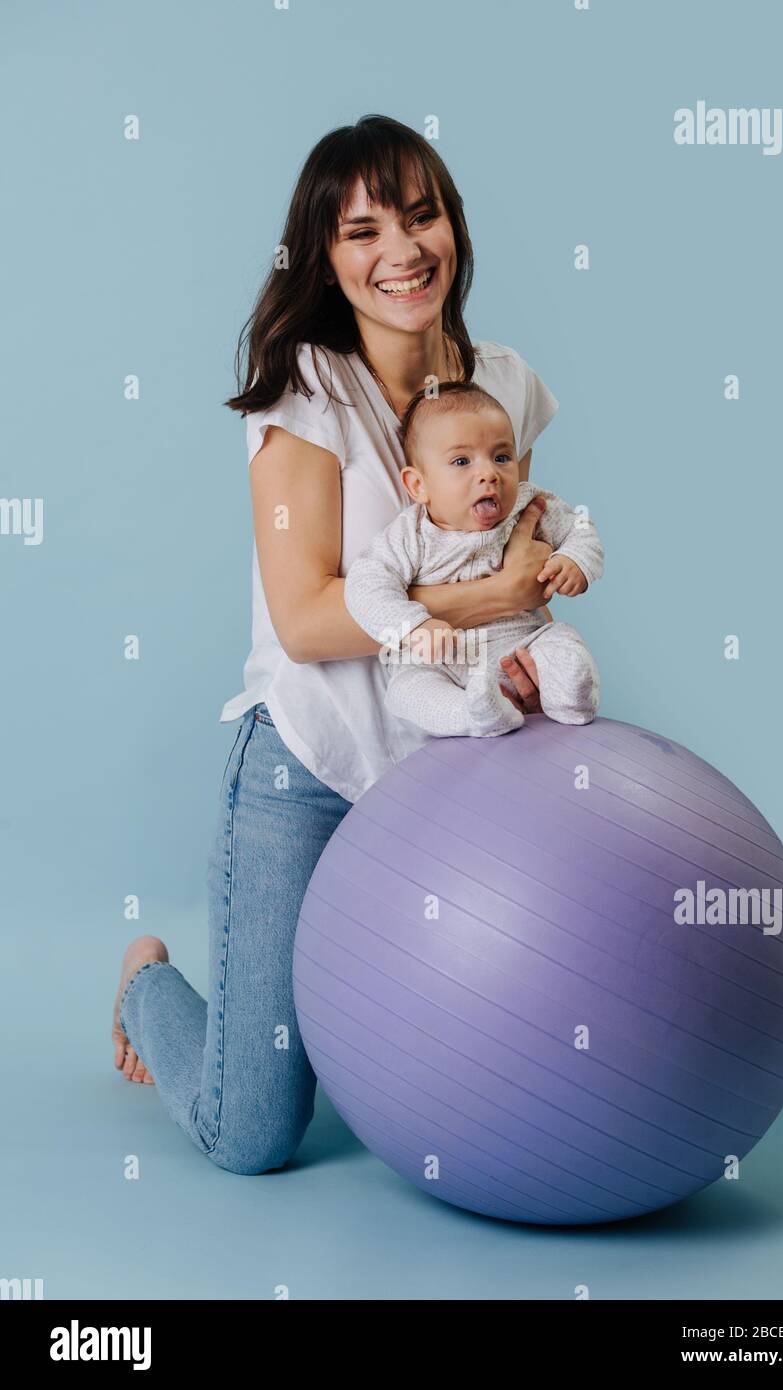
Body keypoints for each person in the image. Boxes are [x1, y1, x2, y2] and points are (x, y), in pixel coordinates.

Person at [110, 113, 575, 1175]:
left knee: (474, 1075)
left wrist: (519, 629)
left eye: (421, 216)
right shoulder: (303, 396)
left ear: (453, 227)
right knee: (255, 1132)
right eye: (362, 231)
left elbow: (505, 550)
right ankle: (144, 983)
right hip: (305, 766)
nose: (401, 252)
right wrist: (482, 600)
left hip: (445, 763)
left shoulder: (503, 379)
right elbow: (307, 621)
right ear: (324, 256)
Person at [344, 380, 604, 736]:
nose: (488, 474)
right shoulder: (410, 534)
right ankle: (475, 714)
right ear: (419, 485)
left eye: (501, 457)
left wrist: (575, 558)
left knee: (561, 641)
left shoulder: (530, 505)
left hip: (521, 644)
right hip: (442, 664)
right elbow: (365, 585)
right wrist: (413, 627)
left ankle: (571, 697)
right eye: (462, 461)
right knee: (406, 690)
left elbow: (581, 528)